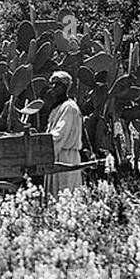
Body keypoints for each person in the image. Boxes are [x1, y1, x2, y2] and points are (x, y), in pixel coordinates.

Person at [43, 71, 84, 199]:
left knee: (65, 194)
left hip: (65, 157)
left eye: (58, 84)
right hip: (57, 155)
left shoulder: (69, 108)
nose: (54, 87)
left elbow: (60, 134)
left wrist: (44, 146)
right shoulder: (57, 107)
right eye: (53, 84)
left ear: (65, 87)